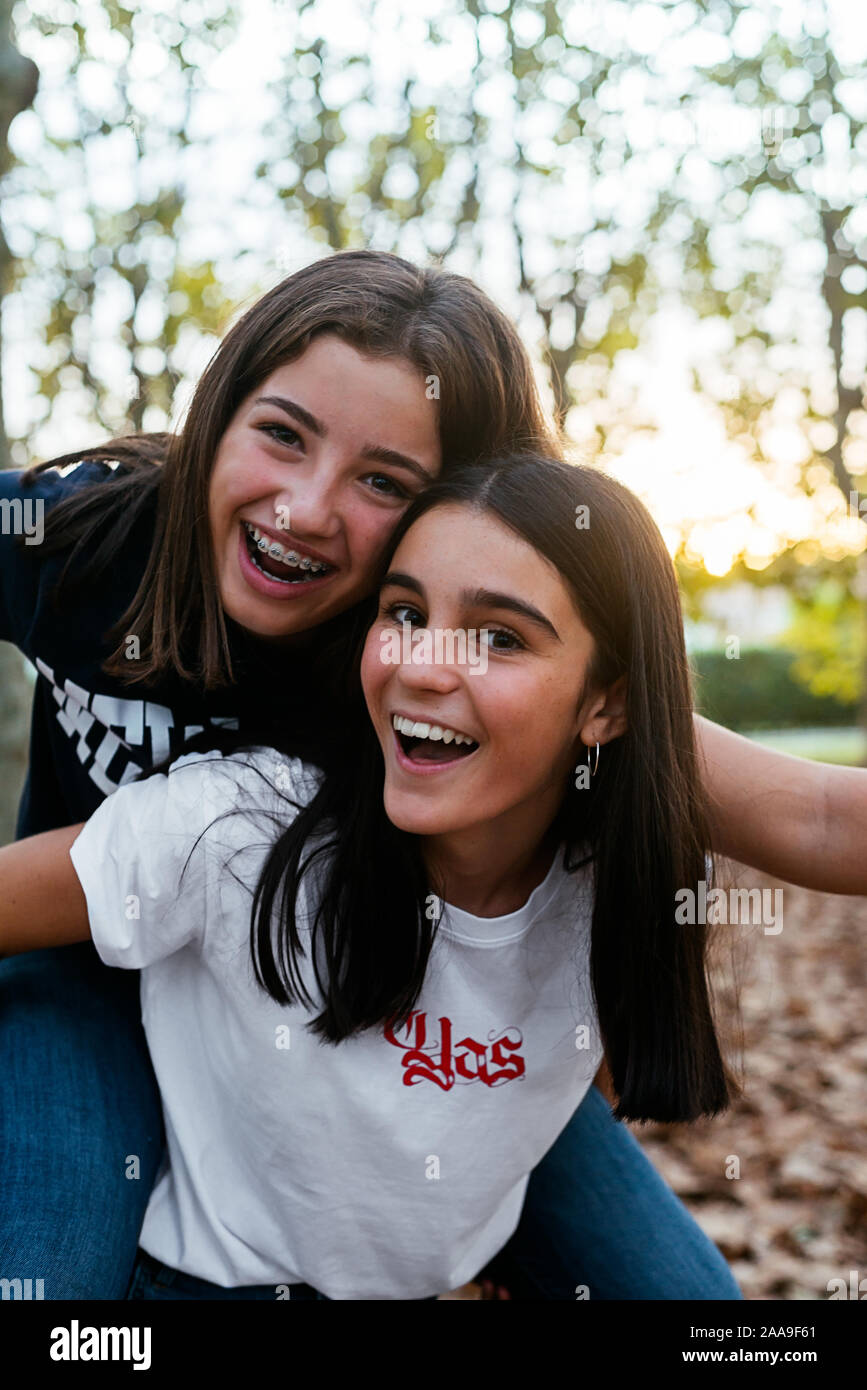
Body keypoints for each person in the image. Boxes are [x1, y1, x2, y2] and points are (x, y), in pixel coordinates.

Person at [2, 251, 865, 1299]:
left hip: (376, 1032)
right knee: (48, 1276)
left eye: (382, 481)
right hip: (84, 959)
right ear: (219, 415)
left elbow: (819, 815)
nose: (305, 508)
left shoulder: (427, 671)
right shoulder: (84, 536)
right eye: (280, 431)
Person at [1, 455, 749, 1300]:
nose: (423, 668)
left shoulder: (620, 881)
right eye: (403, 612)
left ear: (606, 704)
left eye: (500, 637)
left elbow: (581, 1073)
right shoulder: (235, 827)